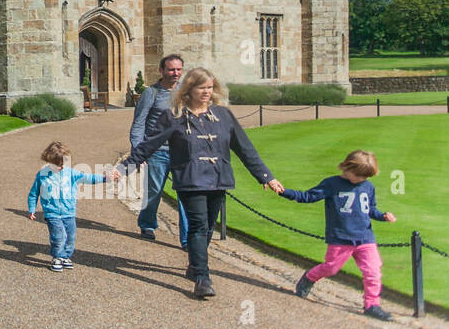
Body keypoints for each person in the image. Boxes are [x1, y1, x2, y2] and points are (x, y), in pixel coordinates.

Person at [117, 67, 283, 299]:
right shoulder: (173, 115)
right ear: (189, 89)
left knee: (207, 228)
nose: (206, 92)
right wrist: (124, 168)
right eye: (201, 87)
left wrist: (266, 176)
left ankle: (195, 265)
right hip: (190, 179)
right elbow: (149, 144)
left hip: (218, 178)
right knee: (196, 225)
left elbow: (245, 148)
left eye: (209, 87)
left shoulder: (223, 116)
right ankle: (202, 278)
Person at [279, 150, 397, 321]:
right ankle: (309, 277)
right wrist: (283, 191)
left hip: (365, 237)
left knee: (373, 271)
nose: (362, 180)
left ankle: (372, 305)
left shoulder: (368, 186)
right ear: (347, 168)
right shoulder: (332, 184)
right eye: (359, 175)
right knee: (331, 268)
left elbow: (370, 210)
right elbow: (307, 197)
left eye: (366, 177)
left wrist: (383, 216)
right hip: (341, 238)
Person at [28, 141, 118, 271]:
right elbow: (34, 193)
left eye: (62, 164)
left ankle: (65, 256)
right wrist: (32, 208)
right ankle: (57, 257)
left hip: (69, 212)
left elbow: (89, 178)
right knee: (59, 236)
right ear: (49, 160)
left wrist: (105, 178)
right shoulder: (42, 175)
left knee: (70, 237)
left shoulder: (71, 173)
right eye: (57, 164)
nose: (60, 167)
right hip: (52, 212)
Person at [129, 54, 189, 247]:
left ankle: (188, 238)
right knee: (154, 191)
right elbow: (139, 123)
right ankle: (147, 224)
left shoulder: (187, 92)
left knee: (186, 195)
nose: (175, 73)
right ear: (161, 71)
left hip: (182, 152)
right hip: (157, 151)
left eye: (179, 69)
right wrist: (139, 151)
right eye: (171, 69)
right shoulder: (151, 93)